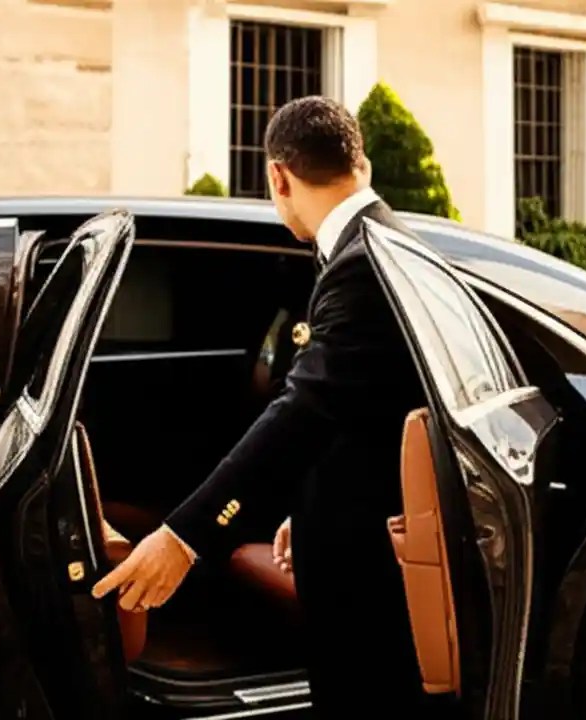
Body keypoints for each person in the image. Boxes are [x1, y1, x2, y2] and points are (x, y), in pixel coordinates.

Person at [92, 95, 433, 715]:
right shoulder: (378, 239)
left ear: (278, 176)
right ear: (363, 163)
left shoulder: (361, 262)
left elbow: (302, 411)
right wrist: (307, 504)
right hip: (350, 524)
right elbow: (360, 404)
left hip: (364, 558)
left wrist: (183, 537)